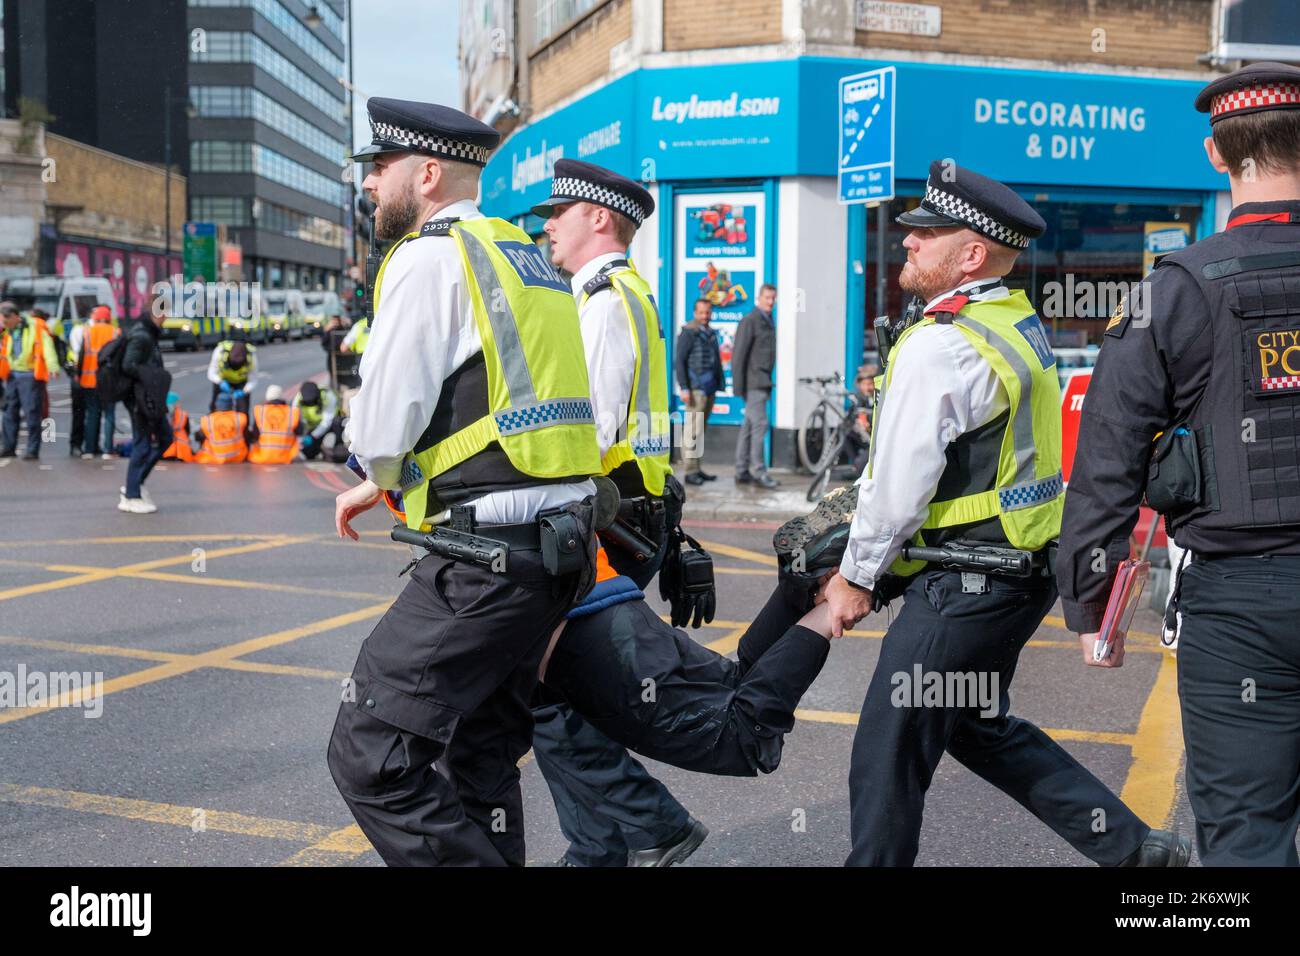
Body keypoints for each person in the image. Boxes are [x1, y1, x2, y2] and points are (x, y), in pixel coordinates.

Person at [822, 161, 1188, 868]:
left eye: (926, 234)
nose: (908, 244)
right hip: (1016, 571)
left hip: (968, 581)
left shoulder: (940, 343)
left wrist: (858, 576)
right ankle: (1136, 853)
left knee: (885, 752)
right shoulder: (1012, 319)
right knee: (978, 726)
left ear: (971, 255)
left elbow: (899, 486)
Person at [326, 96, 602, 867]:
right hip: (554, 547)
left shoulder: (426, 255)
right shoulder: (525, 254)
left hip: (485, 556)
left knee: (371, 754)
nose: (371, 186)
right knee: (477, 756)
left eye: (380, 170)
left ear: (427, 172)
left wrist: (372, 470)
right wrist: (376, 479)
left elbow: (383, 424)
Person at [1058, 62, 1300, 866]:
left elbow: (1108, 462)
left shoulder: (1176, 290)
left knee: (1243, 838)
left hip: (1239, 606)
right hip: (1240, 594)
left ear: (1215, 156)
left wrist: (1094, 604)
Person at [530, 159, 701, 867]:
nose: (547, 226)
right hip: (635, 515)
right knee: (561, 691)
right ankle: (596, 853)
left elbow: (591, 432)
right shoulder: (628, 293)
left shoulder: (601, 302)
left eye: (559, 213)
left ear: (598, 218)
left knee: (547, 694)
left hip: (607, 526)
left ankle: (653, 823)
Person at [541, 501, 846, 783]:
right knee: (737, 683)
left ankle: (834, 600)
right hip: (599, 587)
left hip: (571, 611)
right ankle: (804, 583)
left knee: (741, 738)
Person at [120, 304, 173, 513]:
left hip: (150, 397)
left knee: (166, 437)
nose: (167, 318)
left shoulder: (149, 333)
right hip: (140, 398)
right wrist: (151, 376)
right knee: (142, 445)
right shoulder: (141, 335)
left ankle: (136, 484)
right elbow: (128, 365)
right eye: (165, 313)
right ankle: (131, 496)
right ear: (156, 314)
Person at [731, 283, 779, 488]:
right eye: (767, 298)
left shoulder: (767, 320)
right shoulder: (750, 320)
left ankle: (742, 471)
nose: (770, 302)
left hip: (761, 381)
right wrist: (739, 387)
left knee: (749, 427)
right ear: (758, 298)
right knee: (760, 425)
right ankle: (758, 471)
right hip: (753, 382)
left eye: (773, 298)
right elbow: (738, 355)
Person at [0, 300, 60, 460]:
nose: (4, 324)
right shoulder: (6, 329)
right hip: (12, 374)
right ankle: (9, 447)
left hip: (30, 374)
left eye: (6, 321)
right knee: (9, 412)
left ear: (15, 316)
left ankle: (32, 450)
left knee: (32, 413)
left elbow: (47, 346)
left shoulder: (36, 327)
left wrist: (53, 365)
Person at [674, 298, 723, 486]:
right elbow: (680, 362)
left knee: (700, 431)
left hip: (709, 388)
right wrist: (684, 387)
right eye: (702, 313)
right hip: (695, 389)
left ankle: (697, 468)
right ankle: (689, 471)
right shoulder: (688, 333)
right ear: (695, 313)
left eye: (708, 312)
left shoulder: (709, 332)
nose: (705, 316)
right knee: (692, 431)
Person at [71, 305, 121, 460]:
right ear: (108, 318)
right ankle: (107, 450)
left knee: (92, 415)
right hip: (109, 380)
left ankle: (89, 450)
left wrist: (78, 375)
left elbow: (81, 356)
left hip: (89, 380)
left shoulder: (87, 332)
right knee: (109, 415)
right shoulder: (115, 332)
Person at [247, 384, 301, 464]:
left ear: (267, 397)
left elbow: (255, 434)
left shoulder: (261, 411)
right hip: (286, 457)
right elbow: (299, 432)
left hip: (262, 456)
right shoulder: (291, 412)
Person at [194, 391, 251, 465]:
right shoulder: (240, 417)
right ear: (232, 405)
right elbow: (247, 436)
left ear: (217, 405)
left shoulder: (208, 420)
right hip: (238, 456)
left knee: (204, 436)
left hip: (214, 457)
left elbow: (198, 436)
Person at [292, 381, 342, 461]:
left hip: (330, 427)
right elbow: (296, 420)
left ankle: (336, 448)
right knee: (308, 454)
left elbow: (326, 422)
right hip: (312, 427)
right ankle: (320, 449)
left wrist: (313, 436)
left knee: (337, 423)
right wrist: (300, 439)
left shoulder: (328, 396)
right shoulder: (298, 398)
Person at [206, 338, 257, 414]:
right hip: (223, 380)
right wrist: (220, 382)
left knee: (243, 409)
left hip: (241, 382)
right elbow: (211, 373)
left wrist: (244, 391)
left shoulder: (251, 356)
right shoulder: (220, 351)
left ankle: (244, 424)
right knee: (216, 405)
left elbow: (253, 379)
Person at [161, 391, 194, 462]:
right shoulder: (183, 414)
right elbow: (188, 431)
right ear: (175, 403)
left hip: (164, 451)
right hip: (182, 452)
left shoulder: (160, 413)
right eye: (178, 402)